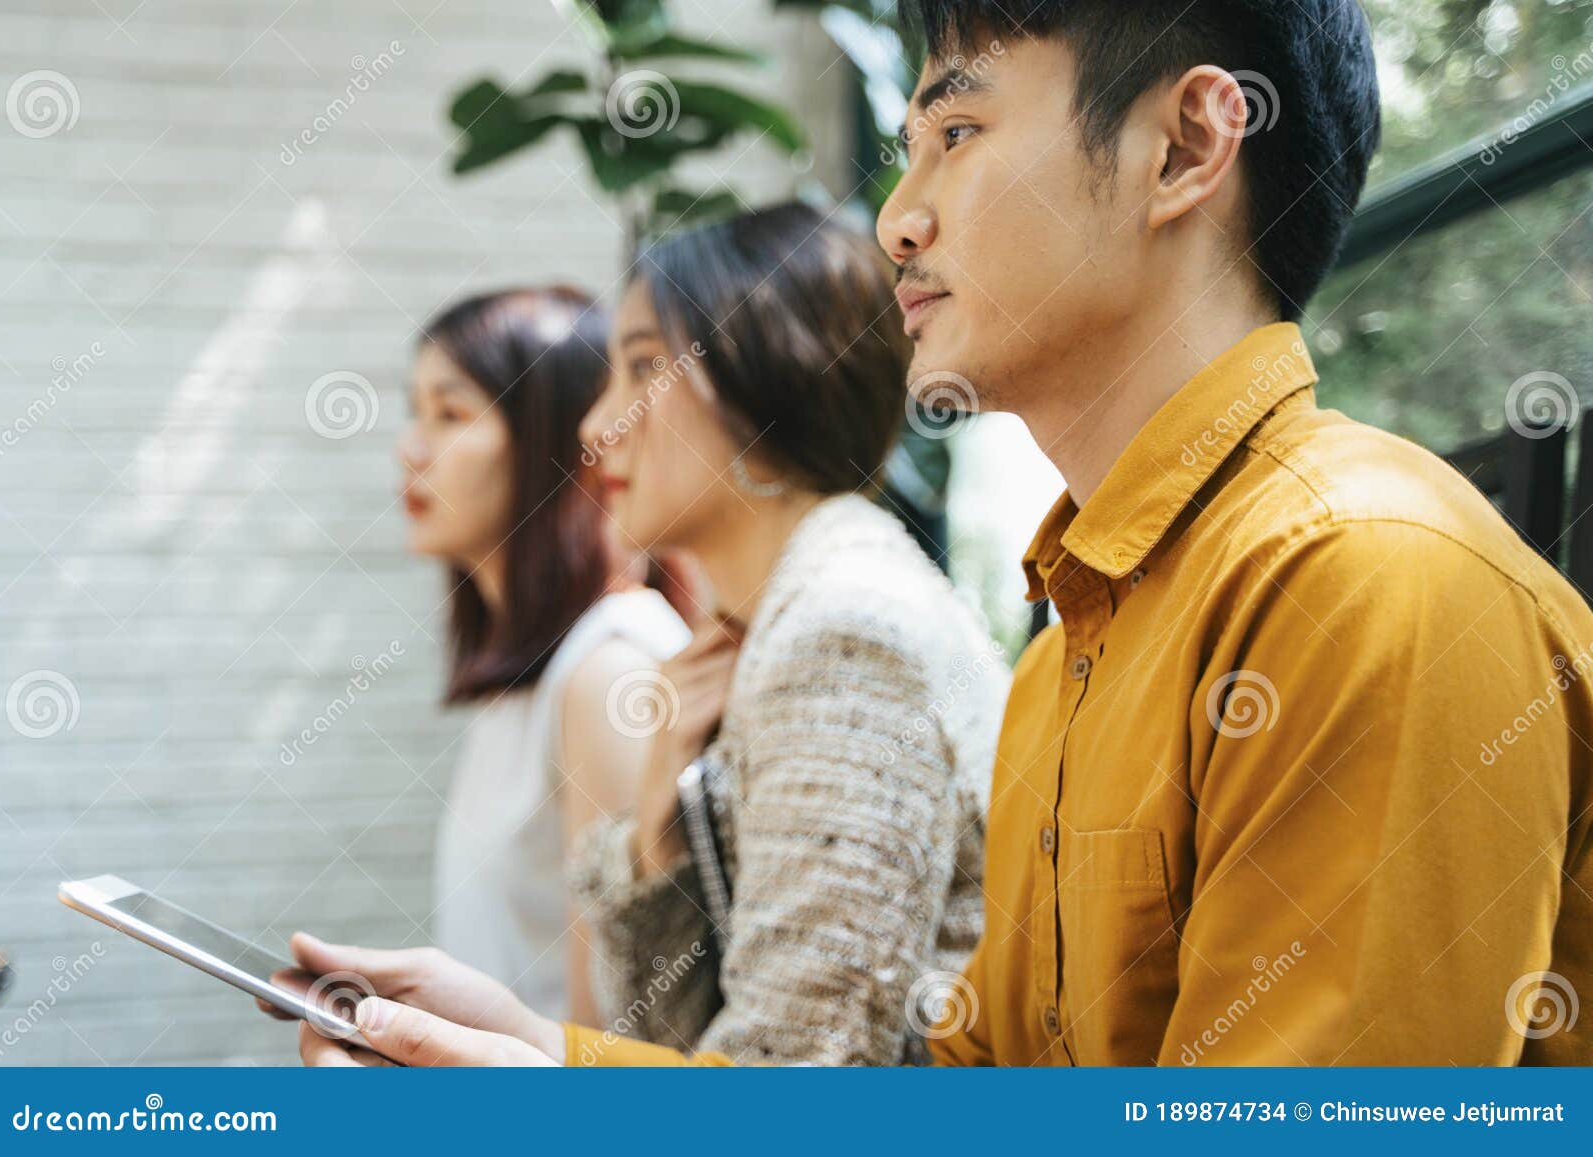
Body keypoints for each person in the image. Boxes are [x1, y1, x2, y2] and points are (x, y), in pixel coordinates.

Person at [294, 0, 1592, 1069]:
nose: (896, 220)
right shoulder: (1066, 649)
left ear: (1187, 147)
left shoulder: (1364, 576)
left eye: (959, 132)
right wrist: (540, 1061)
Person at [288, 202, 1009, 1068]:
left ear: (758, 380)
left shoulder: (841, 631)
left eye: (641, 369)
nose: (596, 429)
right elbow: (699, 1048)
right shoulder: (772, 623)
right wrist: (654, 847)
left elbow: (795, 1074)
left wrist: (517, 1067)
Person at [399, 288, 689, 1023]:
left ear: (558, 442)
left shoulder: (609, 675)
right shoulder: (532, 674)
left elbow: (617, 1041)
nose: (412, 448)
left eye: (451, 414)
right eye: (416, 410)